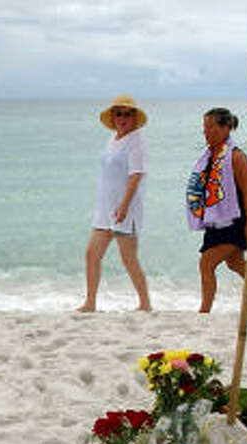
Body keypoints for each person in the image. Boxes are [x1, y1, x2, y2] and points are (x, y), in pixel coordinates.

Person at [187, 108, 247, 314]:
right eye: (204, 128)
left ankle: (204, 311)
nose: (206, 132)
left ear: (226, 128)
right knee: (235, 263)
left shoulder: (236, 157)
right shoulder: (210, 157)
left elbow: (246, 195)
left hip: (234, 221)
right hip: (216, 220)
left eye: (211, 127)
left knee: (206, 263)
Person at [78, 95, 152, 313]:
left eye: (128, 114)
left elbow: (136, 176)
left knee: (129, 259)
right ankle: (90, 303)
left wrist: (124, 206)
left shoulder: (136, 141)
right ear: (113, 117)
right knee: (92, 254)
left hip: (125, 210)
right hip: (105, 210)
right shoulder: (113, 139)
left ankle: (145, 304)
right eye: (118, 114)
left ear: (134, 117)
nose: (122, 118)